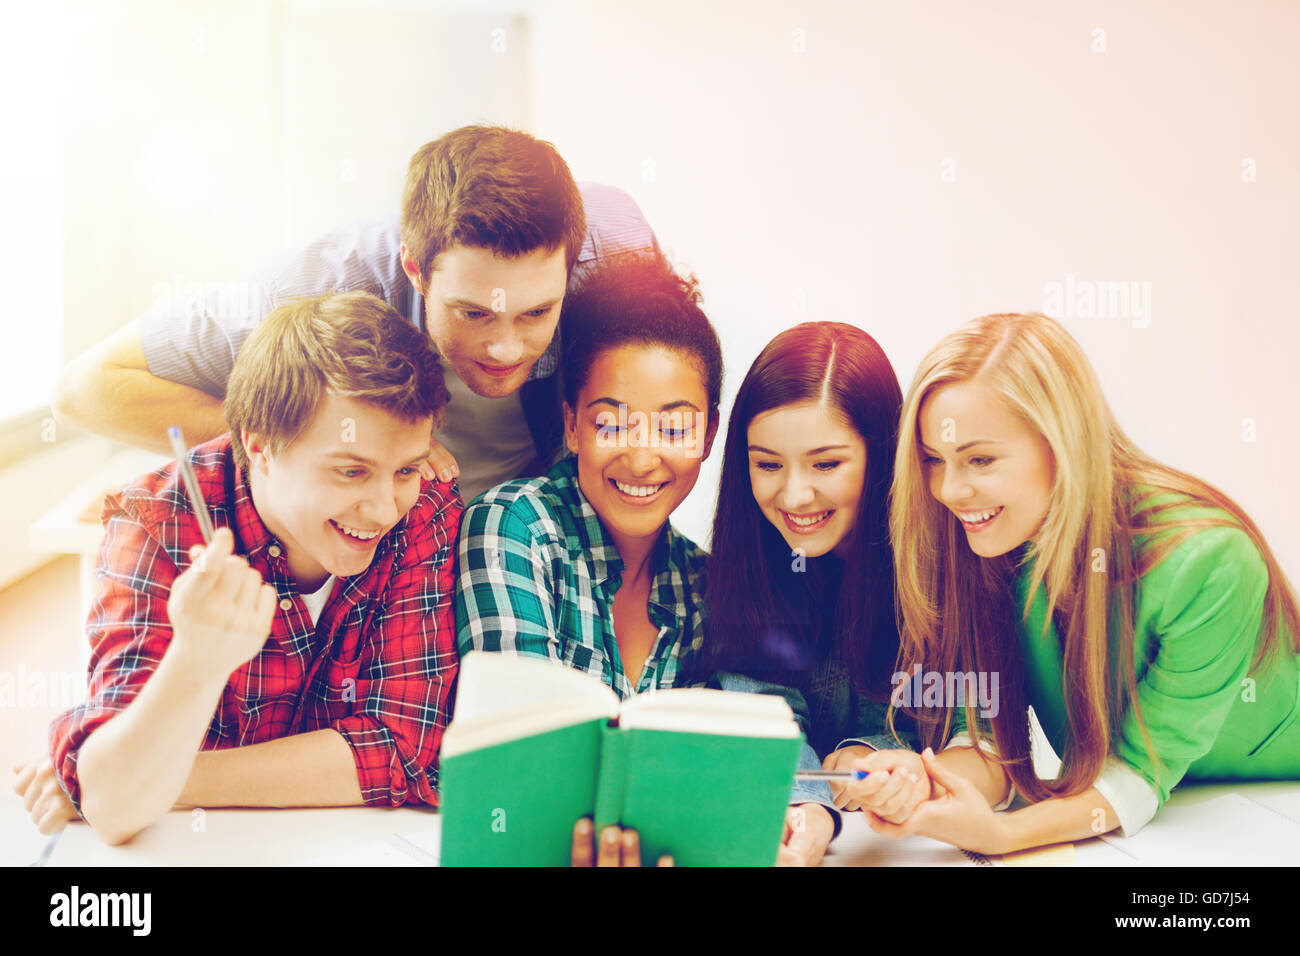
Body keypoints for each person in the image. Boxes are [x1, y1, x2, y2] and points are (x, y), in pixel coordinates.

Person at [845, 311, 1300, 854]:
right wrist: (921, 779)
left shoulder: (1210, 560)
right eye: (933, 460)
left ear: (1062, 443)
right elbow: (988, 738)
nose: (949, 490)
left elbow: (1135, 776)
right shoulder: (992, 539)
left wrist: (1003, 835)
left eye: (980, 459)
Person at [14, 292, 461, 844]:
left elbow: (400, 748)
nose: (384, 509)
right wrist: (195, 660)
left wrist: (158, 777)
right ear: (261, 446)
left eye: (406, 470)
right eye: (351, 472)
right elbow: (116, 809)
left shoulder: (426, 510)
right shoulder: (157, 524)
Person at [51, 125, 658, 504]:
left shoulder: (619, 252)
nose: (505, 348)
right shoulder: (319, 290)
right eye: (473, 313)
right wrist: (332, 438)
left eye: (536, 313)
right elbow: (88, 389)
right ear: (414, 267)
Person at [701, 322, 921, 867]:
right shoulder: (747, 564)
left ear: (881, 453)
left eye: (826, 464)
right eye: (767, 464)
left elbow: (965, 730)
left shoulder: (933, 565)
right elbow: (763, 714)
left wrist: (872, 754)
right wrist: (811, 808)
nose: (795, 495)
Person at [455, 252, 719, 696]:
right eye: (611, 425)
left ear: (708, 436)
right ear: (573, 426)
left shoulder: (706, 587)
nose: (641, 460)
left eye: (674, 429)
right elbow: (522, 728)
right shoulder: (514, 525)